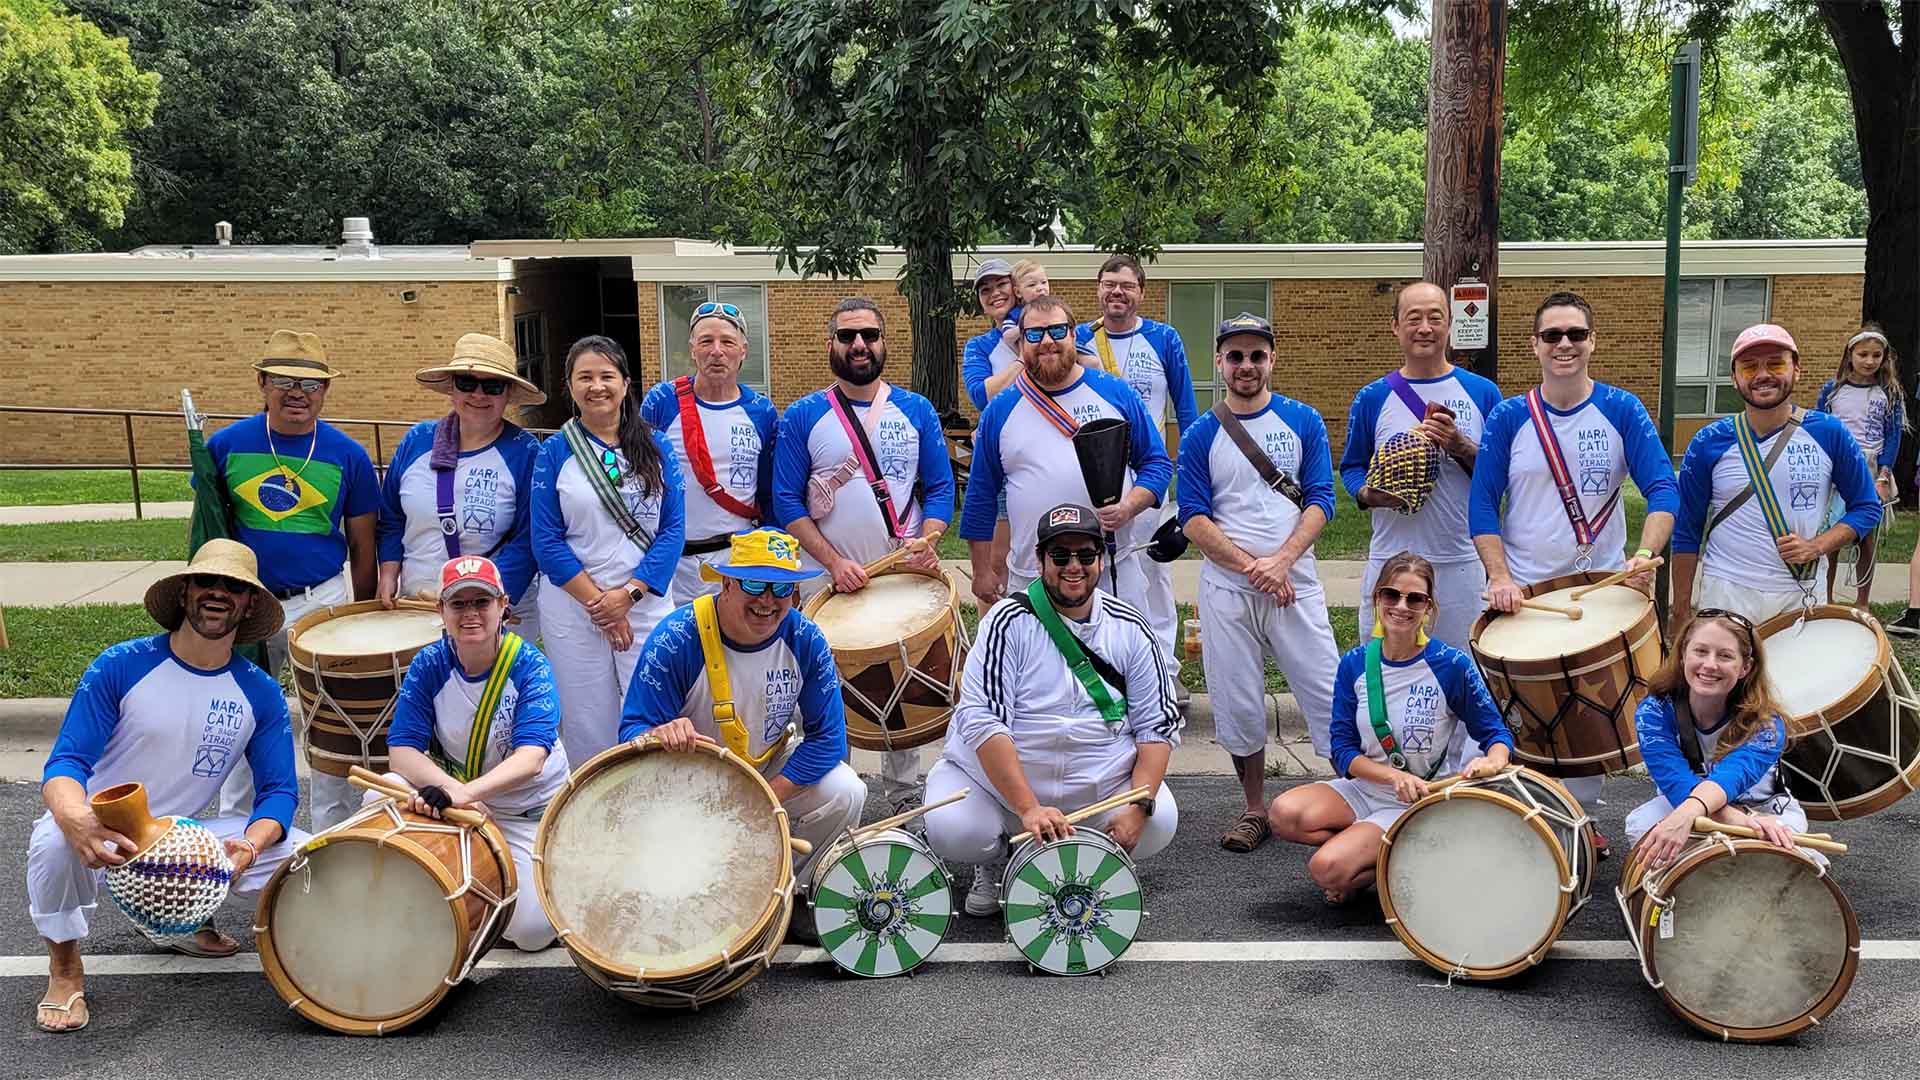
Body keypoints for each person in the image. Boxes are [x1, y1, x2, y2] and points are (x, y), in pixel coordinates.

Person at [31, 541, 306, 1033]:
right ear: (185, 593)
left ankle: (178, 918)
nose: (219, 592)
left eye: (235, 587)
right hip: (106, 830)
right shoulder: (120, 664)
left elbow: (279, 794)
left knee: (309, 857)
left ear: (249, 604)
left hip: (186, 836)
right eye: (207, 582)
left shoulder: (260, 691)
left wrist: (248, 844)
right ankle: (65, 967)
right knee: (52, 843)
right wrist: (76, 819)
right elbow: (66, 762)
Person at [1468, 292, 1678, 856]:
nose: (1565, 345)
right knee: (1523, 715)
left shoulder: (1621, 408)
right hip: (1528, 594)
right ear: (1534, 345)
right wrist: (1499, 575)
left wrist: (1645, 553)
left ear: (1593, 342)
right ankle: (1531, 811)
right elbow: (1483, 505)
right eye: (1553, 335)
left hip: (1600, 592)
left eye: (1576, 335)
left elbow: (1662, 487)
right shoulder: (1511, 416)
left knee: (1584, 721)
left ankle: (1577, 820)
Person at [925, 503, 1182, 917]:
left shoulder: (1131, 627)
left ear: (1101, 558)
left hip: (1095, 789)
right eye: (1060, 556)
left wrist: (1139, 807)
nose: (1073, 566)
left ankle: (1085, 857)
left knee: (1160, 819)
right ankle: (995, 859)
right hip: (1004, 796)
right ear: (1040, 560)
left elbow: (1158, 725)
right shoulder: (1005, 622)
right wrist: (1027, 807)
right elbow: (982, 720)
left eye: (1085, 554)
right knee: (953, 829)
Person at [770, 297, 954, 809]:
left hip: (900, 574)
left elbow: (940, 489)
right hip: (827, 584)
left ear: (883, 343)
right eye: (848, 336)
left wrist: (931, 537)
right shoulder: (805, 414)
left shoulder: (916, 410)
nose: (859, 345)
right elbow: (785, 499)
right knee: (828, 695)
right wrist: (832, 561)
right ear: (830, 344)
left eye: (869, 335)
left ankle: (903, 799)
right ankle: (838, 797)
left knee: (902, 687)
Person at [618, 528, 867, 888]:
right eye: (755, 585)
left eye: (782, 588)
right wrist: (659, 733)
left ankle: (789, 889)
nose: (768, 600)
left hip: (765, 769)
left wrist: (764, 799)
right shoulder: (675, 639)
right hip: (691, 779)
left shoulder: (807, 639)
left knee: (847, 791)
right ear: (727, 585)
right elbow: (631, 730)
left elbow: (829, 739)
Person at [1176, 313, 1341, 852]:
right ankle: (1253, 808)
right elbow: (1194, 518)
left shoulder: (1304, 419)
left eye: (1257, 355)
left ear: (1273, 358)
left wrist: (1283, 562)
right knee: (1237, 698)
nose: (1246, 365)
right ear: (1220, 362)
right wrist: (1256, 568)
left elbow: (1321, 499)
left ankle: (1354, 793)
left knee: (1326, 689)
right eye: (1235, 355)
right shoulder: (1202, 432)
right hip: (1229, 587)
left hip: (1295, 579)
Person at [1268, 552, 1515, 904]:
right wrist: (1392, 778)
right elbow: (1342, 749)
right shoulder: (1354, 664)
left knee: (1326, 870)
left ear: (1429, 607)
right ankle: (1376, 848)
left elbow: (1496, 734)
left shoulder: (1451, 665)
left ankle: (1381, 856)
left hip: (1420, 799)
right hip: (1370, 787)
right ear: (1377, 599)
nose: (1402, 606)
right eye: (1391, 595)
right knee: (1284, 813)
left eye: (1415, 598)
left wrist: (1493, 761)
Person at [209, 329, 379, 828]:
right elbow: (210, 529)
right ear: (261, 383)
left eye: (311, 383)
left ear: (326, 392)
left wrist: (360, 615)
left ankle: (332, 833)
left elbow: (363, 543)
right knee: (239, 715)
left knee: (330, 723)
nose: (297, 393)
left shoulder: (347, 455)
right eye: (284, 380)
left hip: (320, 601)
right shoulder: (225, 447)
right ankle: (235, 831)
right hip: (247, 603)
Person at [375, 556, 567, 950]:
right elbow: (401, 752)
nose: (470, 614)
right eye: (458, 604)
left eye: (481, 602)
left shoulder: (530, 666)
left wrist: (465, 794)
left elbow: (531, 759)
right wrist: (452, 793)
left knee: (532, 933)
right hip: (463, 804)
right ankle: (423, 892)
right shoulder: (429, 663)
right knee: (380, 791)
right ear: (440, 610)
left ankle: (462, 892)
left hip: (523, 812)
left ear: (503, 605)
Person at [960, 296, 1174, 624]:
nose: (1047, 341)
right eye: (1034, 334)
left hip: (1111, 571)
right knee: (1036, 674)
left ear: (1074, 335)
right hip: (1033, 575)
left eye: (1057, 330)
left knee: (1119, 672)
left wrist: (1129, 507)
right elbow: (980, 497)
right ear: (1021, 345)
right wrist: (981, 571)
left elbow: (1157, 464)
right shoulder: (1000, 409)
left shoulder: (1115, 393)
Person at [532, 335, 685, 768]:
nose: (596, 386)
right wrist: (602, 605)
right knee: (587, 721)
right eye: (585, 377)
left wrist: (628, 596)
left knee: (656, 712)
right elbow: (546, 540)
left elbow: (672, 530)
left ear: (625, 383)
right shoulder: (554, 452)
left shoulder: (658, 447)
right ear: (570, 386)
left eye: (606, 376)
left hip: (646, 601)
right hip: (574, 607)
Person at [1671, 323, 1880, 632]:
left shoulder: (1829, 432)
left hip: (1801, 590)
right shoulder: (1708, 441)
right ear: (1734, 377)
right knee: (1727, 680)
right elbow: (1687, 529)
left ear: (1797, 370)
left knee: (1799, 681)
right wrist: (1680, 610)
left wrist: (1818, 545)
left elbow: (1867, 507)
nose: (1762, 374)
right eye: (1749, 366)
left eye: (1776, 363)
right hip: (1727, 591)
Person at [1341, 283, 1502, 650]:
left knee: (1465, 672)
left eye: (1435, 317)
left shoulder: (1482, 393)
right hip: (1392, 559)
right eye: (1413, 318)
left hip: (1460, 558)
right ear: (1395, 326)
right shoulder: (1373, 397)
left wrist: (1459, 444)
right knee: (1385, 669)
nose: (1425, 327)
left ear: (1450, 325)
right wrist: (1369, 494)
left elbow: (1501, 476)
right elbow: (1351, 468)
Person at [376, 333, 546, 644]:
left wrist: (482, 599)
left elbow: (528, 539)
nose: (479, 394)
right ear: (452, 388)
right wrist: (388, 572)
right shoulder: (417, 441)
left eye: (492, 386)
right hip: (420, 606)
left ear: (508, 393)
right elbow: (391, 517)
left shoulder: (525, 452)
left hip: (493, 607)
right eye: (467, 383)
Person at [1075, 254, 1199, 665]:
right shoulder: (1078, 338)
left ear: (1141, 293)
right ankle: (1103, 653)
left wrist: (1189, 477)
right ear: (1098, 289)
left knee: (1151, 570)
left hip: (1148, 471)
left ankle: (1163, 662)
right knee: (1094, 564)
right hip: (1091, 473)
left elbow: (1186, 409)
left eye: (1127, 285)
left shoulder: (1164, 338)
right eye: (1109, 283)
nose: (1117, 292)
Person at [1626, 610, 1812, 868]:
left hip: (1762, 809)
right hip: (1684, 802)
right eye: (1700, 651)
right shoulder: (1654, 712)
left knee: (1789, 854)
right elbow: (1677, 782)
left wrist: (1748, 819)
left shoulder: (1768, 724)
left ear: (1745, 667)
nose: (1710, 664)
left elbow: (1730, 778)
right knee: (1642, 829)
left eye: (1725, 656)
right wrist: (1741, 823)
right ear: (1682, 656)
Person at [639, 300, 779, 604]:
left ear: (743, 350)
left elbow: (768, 494)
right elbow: (640, 477)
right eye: (706, 341)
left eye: (727, 342)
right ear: (692, 349)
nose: (717, 351)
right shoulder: (663, 401)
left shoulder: (761, 411)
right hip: (673, 562)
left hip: (736, 561)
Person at [1814, 323, 1905, 610]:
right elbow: (1819, 427)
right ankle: (1826, 599)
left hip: (1871, 469)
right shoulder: (1832, 390)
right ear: (1850, 354)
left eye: (1876, 355)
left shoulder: (1889, 392)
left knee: (1867, 537)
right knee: (1831, 536)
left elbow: (1893, 436)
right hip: (1836, 468)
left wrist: (1884, 474)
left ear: (1884, 358)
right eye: (1863, 354)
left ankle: (1862, 602)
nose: (1869, 361)